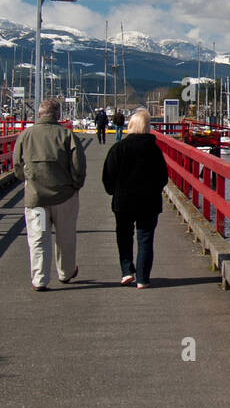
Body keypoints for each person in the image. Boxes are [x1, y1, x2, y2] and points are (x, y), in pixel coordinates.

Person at [14, 98, 86, 291]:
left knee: (38, 238)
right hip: (64, 194)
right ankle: (66, 272)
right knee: (66, 237)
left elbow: (17, 166)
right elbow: (78, 165)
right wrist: (76, 185)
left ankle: (40, 279)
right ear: (58, 115)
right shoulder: (66, 135)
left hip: (36, 196)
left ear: (38, 114)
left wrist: (28, 181)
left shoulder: (25, 135)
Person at [102, 108, 168, 289]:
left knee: (124, 236)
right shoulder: (154, 150)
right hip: (149, 202)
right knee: (145, 239)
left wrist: (113, 191)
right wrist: (155, 190)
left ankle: (126, 271)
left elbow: (108, 176)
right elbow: (162, 177)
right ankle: (143, 278)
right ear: (147, 127)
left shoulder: (118, 148)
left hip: (123, 202)